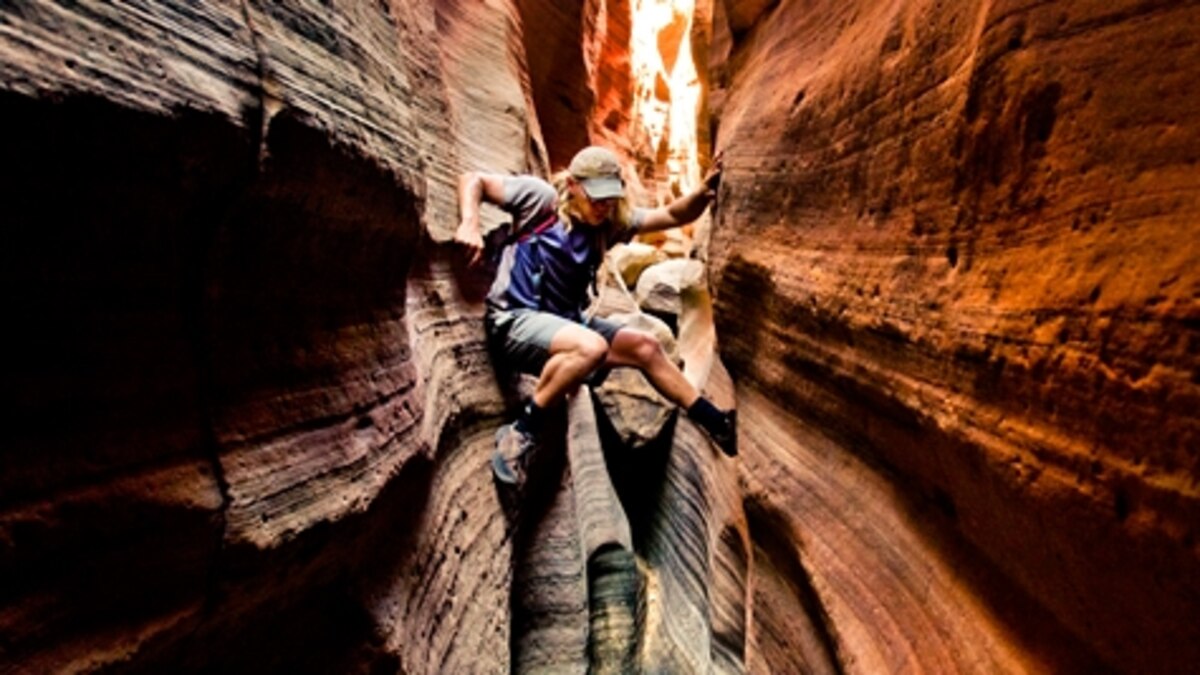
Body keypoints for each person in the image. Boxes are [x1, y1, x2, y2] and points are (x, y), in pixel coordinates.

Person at [455, 146, 736, 485]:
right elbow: (474, 181)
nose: (604, 207)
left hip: (565, 326)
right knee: (591, 348)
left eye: (611, 198)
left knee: (645, 347)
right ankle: (520, 433)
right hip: (515, 321)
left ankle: (716, 423)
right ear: (573, 185)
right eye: (596, 197)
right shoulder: (539, 200)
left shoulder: (612, 222)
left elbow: (673, 216)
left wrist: (704, 192)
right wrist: (469, 222)